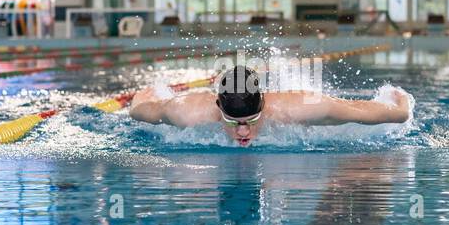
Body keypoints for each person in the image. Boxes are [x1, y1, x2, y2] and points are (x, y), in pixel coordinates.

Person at [128, 65, 411, 147]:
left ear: (263, 104)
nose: (242, 132)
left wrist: (399, 108)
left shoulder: (301, 107)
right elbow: (141, 110)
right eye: (233, 122)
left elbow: (360, 111)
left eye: (251, 120)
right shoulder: (186, 112)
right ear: (218, 107)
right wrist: (140, 98)